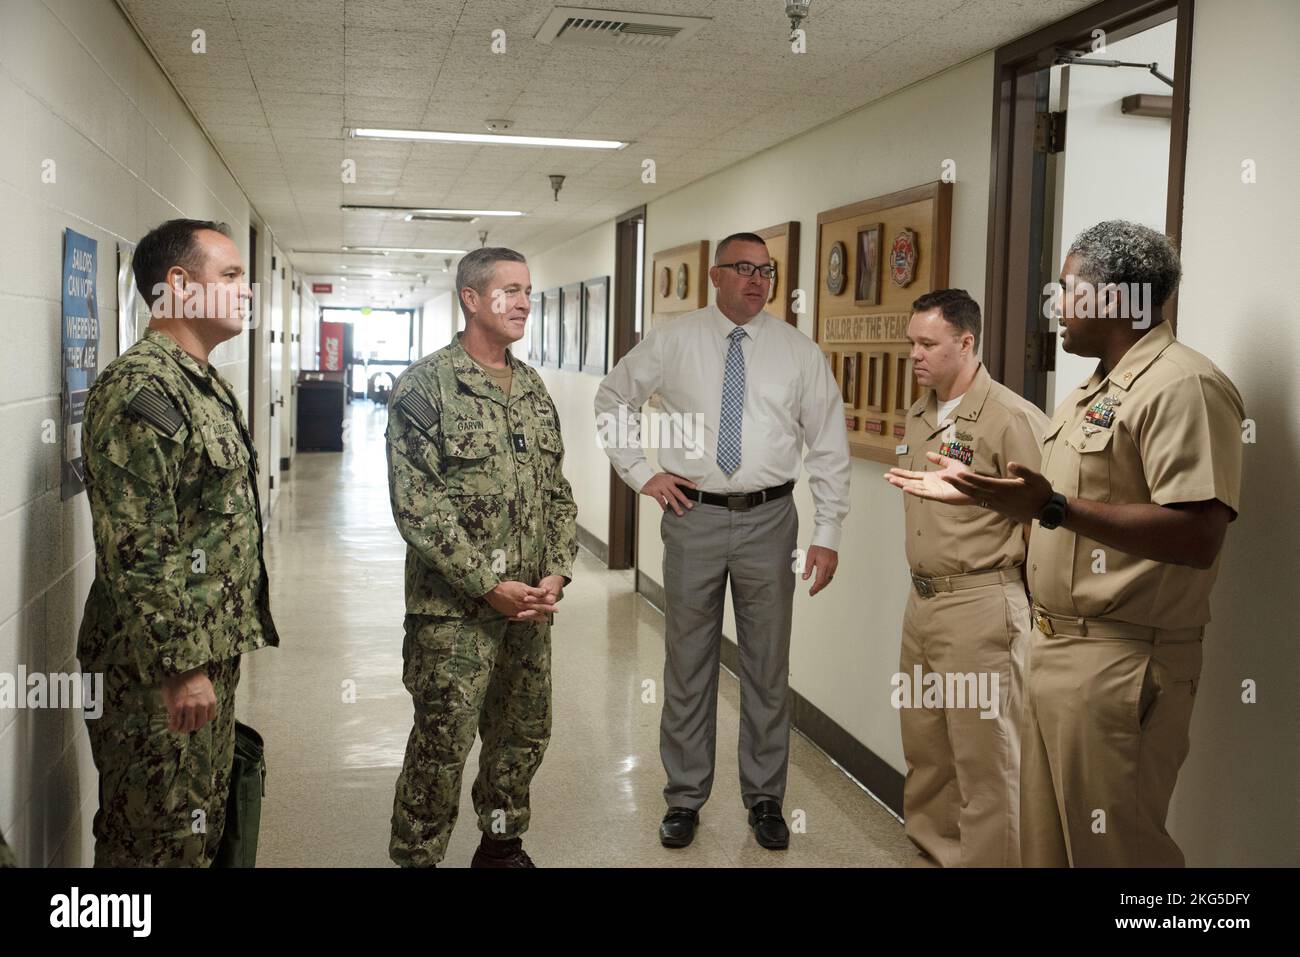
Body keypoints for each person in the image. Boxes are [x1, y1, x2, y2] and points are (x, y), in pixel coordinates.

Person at [894, 221, 1243, 867]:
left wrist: (1050, 507)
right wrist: (991, 497)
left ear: (1115, 299)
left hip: (1121, 652)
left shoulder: (1181, 385)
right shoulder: (1090, 393)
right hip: (1061, 646)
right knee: (1053, 846)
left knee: (1115, 849)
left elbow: (1199, 532)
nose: (1054, 303)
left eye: (1067, 288)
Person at [595, 232, 850, 850]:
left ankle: (765, 799)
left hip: (771, 519)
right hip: (694, 517)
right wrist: (642, 472)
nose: (757, 279)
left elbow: (828, 444)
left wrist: (828, 530)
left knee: (767, 665)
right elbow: (612, 398)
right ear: (716, 276)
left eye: (766, 270)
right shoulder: (674, 341)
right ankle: (684, 798)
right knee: (688, 663)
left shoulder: (797, 352)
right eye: (743, 268)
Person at [78, 218, 277, 867]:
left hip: (204, 654)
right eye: (230, 275)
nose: (245, 291)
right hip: (156, 670)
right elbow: (139, 544)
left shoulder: (204, 384)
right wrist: (181, 666)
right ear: (179, 286)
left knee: (198, 828)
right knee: (155, 842)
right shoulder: (141, 389)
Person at [386, 247, 578, 868]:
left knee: (520, 736)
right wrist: (486, 582)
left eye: (529, 291)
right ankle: (417, 857)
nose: (525, 302)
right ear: (472, 299)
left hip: (528, 608)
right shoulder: (426, 386)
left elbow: (555, 490)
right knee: (443, 743)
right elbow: (418, 507)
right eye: (511, 290)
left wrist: (556, 569)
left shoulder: (532, 387)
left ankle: (500, 846)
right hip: (453, 614)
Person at [884, 289, 1048, 866]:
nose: (915, 355)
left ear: (966, 342)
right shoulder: (920, 411)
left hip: (981, 604)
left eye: (927, 344)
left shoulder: (1011, 419)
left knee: (987, 757)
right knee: (926, 744)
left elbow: (1044, 524)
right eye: (912, 343)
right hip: (922, 603)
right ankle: (935, 852)